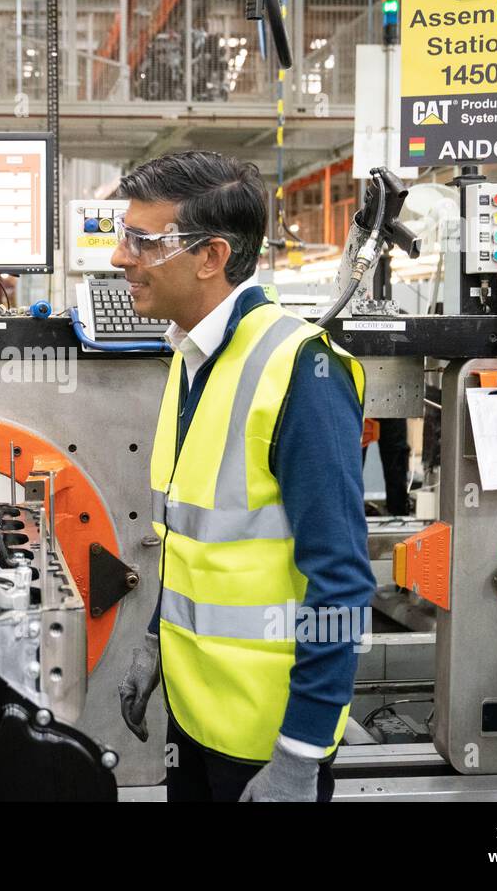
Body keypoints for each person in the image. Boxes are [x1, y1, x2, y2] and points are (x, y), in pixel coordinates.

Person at [112, 152, 375, 802]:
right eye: (123, 236)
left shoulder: (299, 372)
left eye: (143, 241)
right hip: (194, 716)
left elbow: (340, 585)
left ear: (211, 257)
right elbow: (194, 540)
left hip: (266, 741)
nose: (121, 257)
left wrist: (300, 755)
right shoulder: (190, 359)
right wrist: (154, 643)